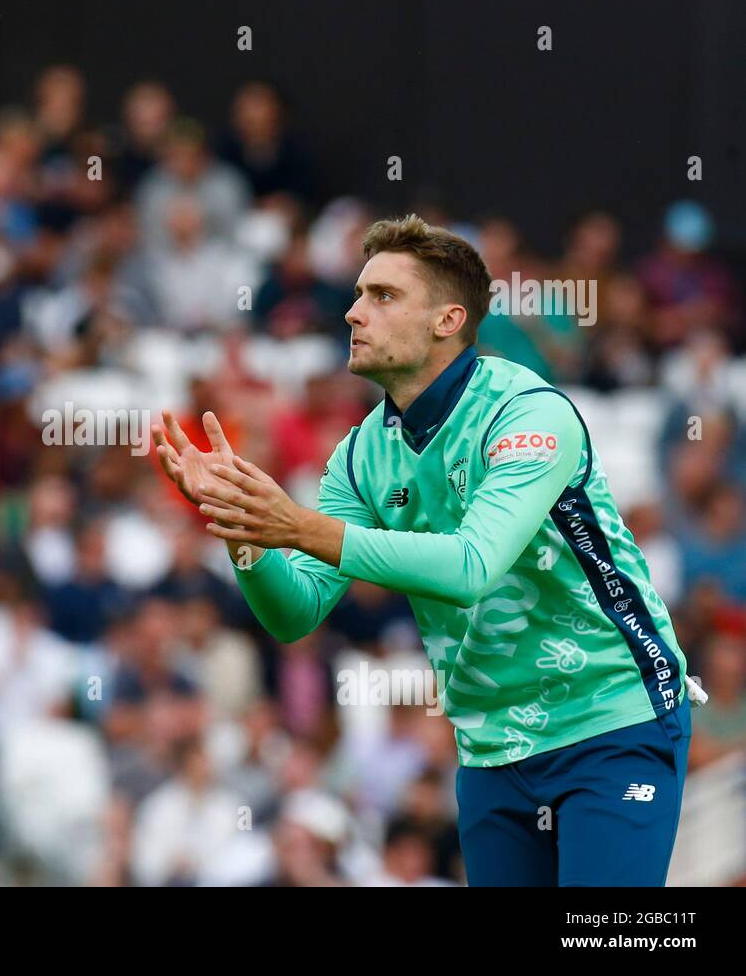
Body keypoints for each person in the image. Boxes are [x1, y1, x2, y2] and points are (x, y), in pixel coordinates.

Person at [153, 214, 700, 887]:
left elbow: (471, 568)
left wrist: (294, 524)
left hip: (612, 714)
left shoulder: (529, 412)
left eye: (382, 295)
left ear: (448, 319)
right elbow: (295, 612)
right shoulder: (360, 456)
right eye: (357, 294)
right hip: (493, 745)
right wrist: (243, 529)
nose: (353, 312)